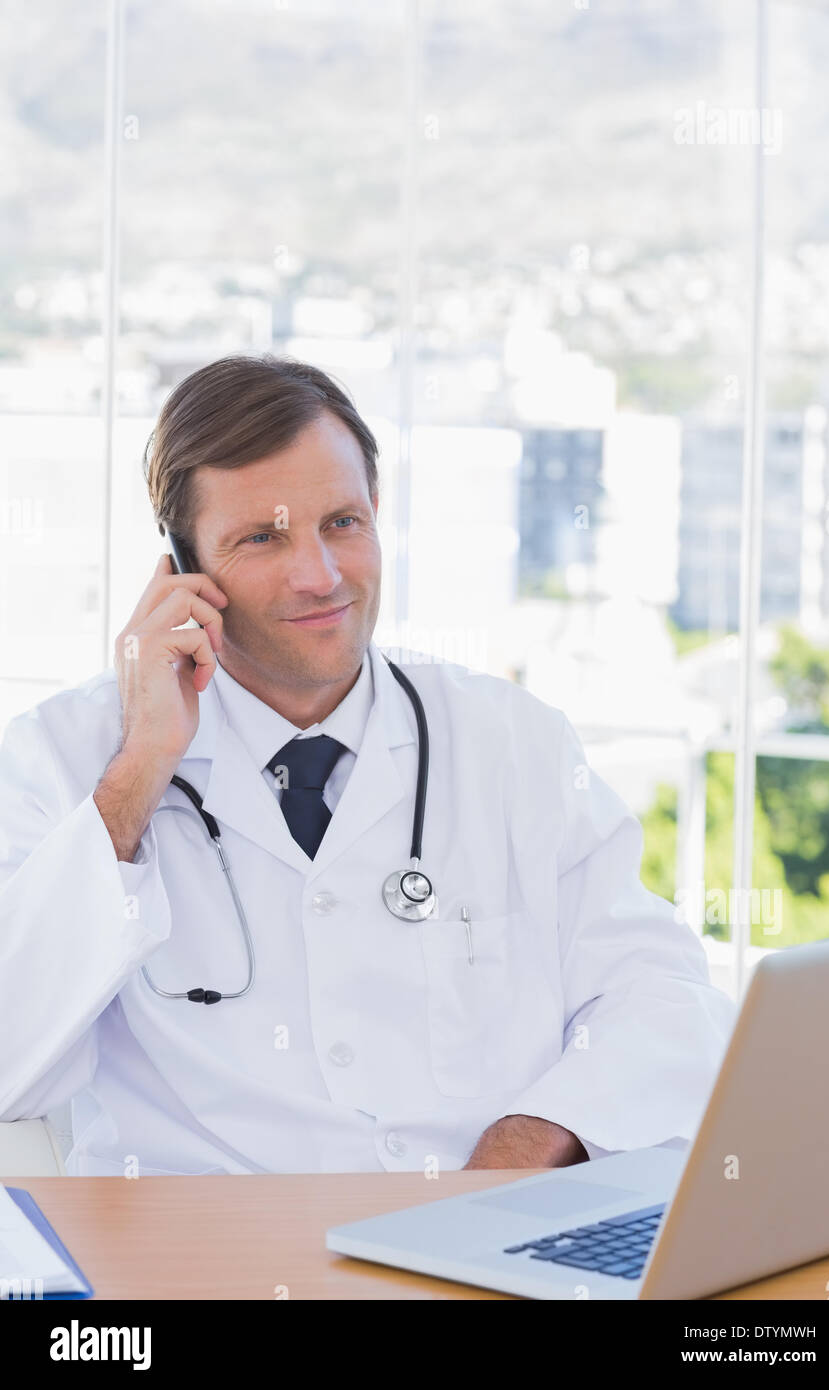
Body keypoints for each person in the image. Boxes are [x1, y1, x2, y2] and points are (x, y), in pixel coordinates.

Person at [0, 354, 735, 1176]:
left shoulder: (515, 744)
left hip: (477, 1242)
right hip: (198, 1260)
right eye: (263, 537)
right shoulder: (64, 760)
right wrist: (140, 770)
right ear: (182, 565)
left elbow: (664, 996)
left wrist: (530, 1139)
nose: (319, 576)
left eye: (342, 523)